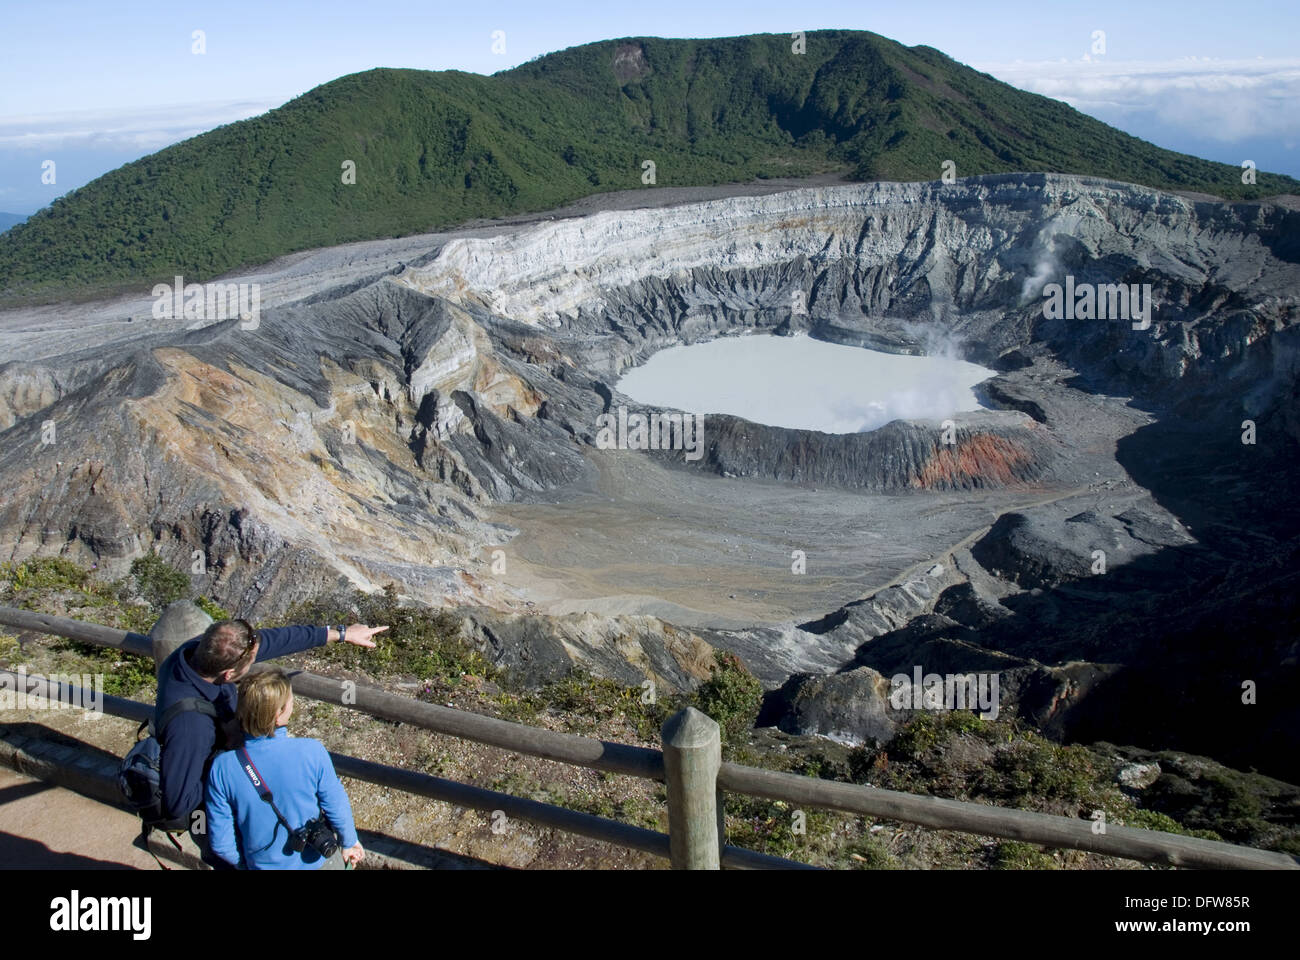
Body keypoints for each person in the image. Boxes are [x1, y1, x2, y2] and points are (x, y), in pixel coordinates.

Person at [154, 618, 385, 868]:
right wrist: (227, 773)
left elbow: (273, 640)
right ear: (229, 674)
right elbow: (178, 803)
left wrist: (340, 633)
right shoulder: (191, 729)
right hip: (222, 822)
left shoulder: (196, 653)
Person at [206, 669, 364, 869]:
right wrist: (349, 843)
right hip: (316, 862)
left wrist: (248, 865)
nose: (292, 705)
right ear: (278, 715)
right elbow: (335, 803)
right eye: (289, 702)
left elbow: (221, 843)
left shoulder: (222, 767)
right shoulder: (311, 752)